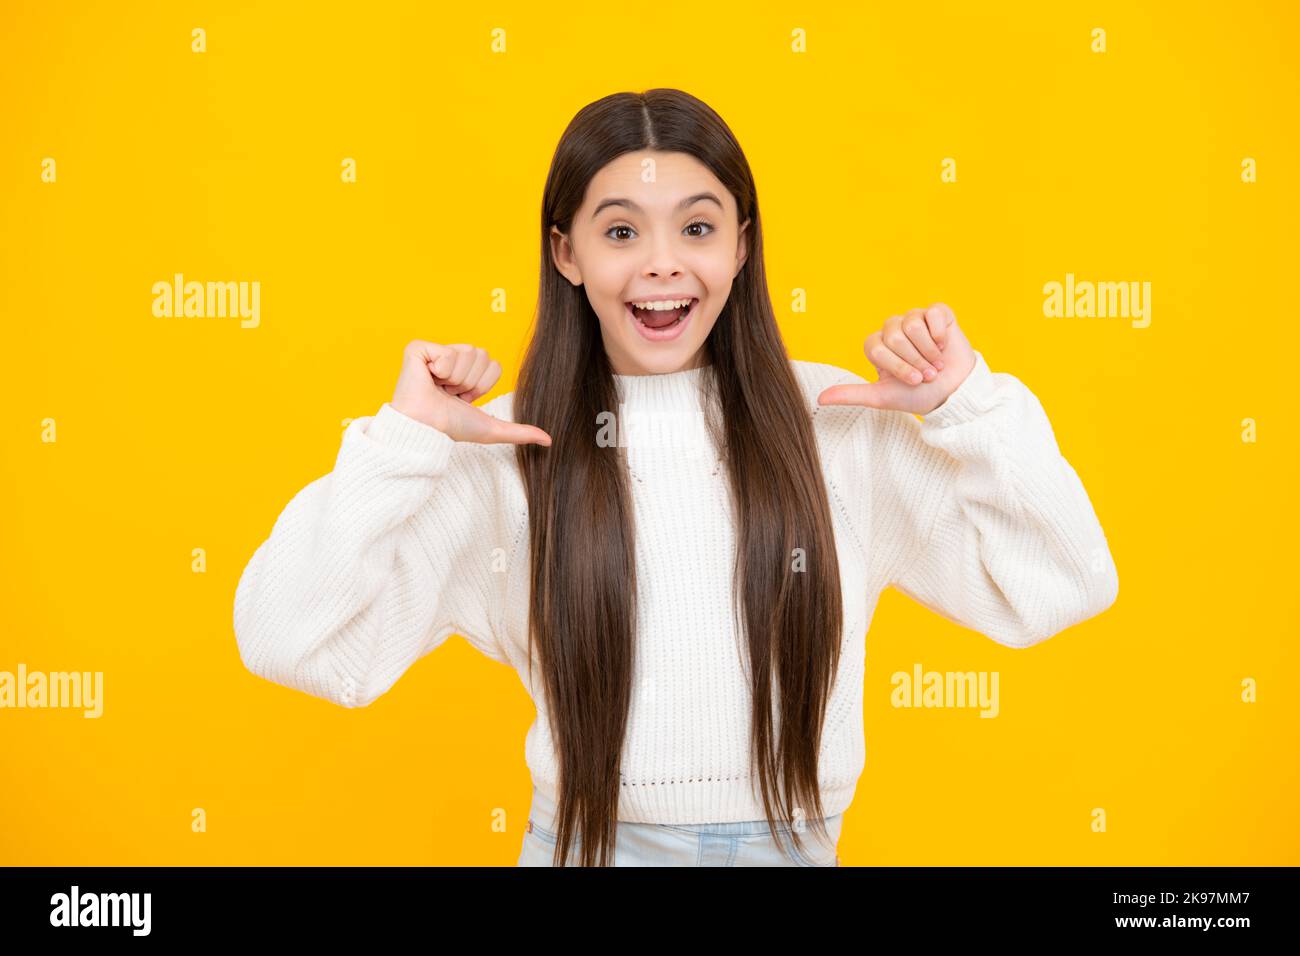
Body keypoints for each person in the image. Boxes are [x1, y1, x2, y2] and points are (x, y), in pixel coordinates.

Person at [233, 88, 1119, 867]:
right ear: (566, 254)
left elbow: (1060, 586)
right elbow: (289, 640)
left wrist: (970, 408)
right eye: (621, 231)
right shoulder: (501, 447)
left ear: (741, 246)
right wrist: (402, 444)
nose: (662, 263)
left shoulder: (840, 425)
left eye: (696, 227)